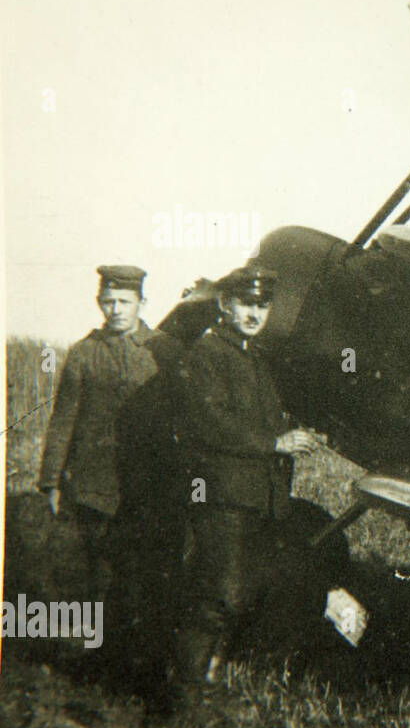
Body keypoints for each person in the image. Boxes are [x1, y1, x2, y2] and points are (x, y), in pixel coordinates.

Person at [171, 263, 322, 688]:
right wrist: (275, 444)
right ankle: (185, 692)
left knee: (241, 593)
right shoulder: (208, 354)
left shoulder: (253, 357)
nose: (255, 314)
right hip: (225, 498)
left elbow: (260, 419)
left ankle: (213, 676)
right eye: (246, 304)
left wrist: (291, 434)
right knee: (217, 596)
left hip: (258, 497)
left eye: (263, 306)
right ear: (225, 304)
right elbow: (210, 421)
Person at [38, 265, 179, 606]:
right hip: (93, 487)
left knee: (142, 573)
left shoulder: (165, 351)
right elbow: (64, 419)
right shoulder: (83, 352)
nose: (115, 310)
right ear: (99, 302)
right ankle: (96, 652)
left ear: (142, 302)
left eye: (124, 302)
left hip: (147, 484)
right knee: (97, 573)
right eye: (108, 301)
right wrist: (51, 481)